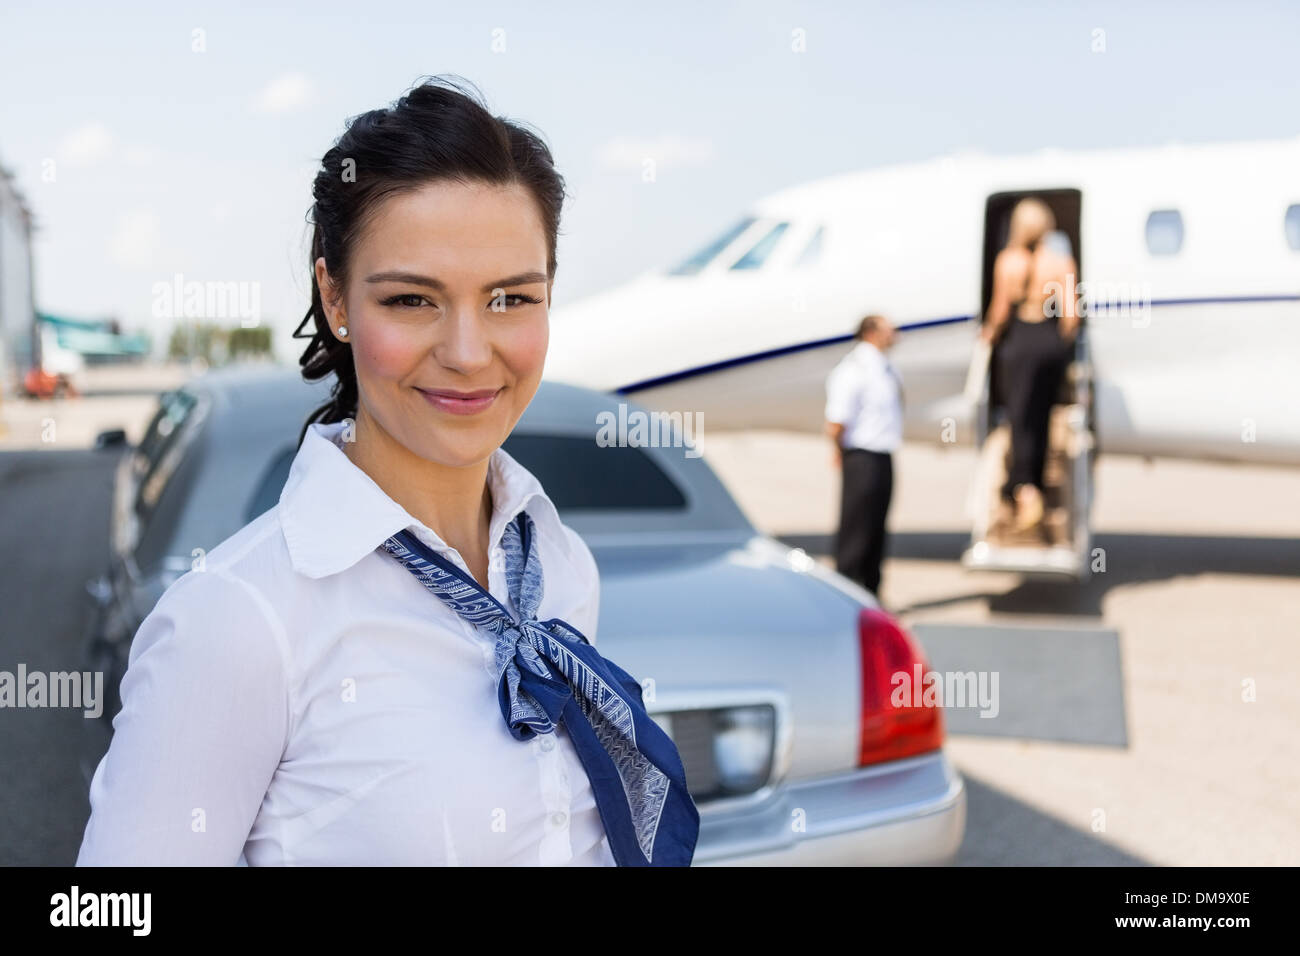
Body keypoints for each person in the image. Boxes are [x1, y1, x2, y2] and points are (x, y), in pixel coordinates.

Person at [76, 76, 699, 867]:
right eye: (411, 300)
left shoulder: (557, 566)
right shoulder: (240, 620)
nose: (470, 352)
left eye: (511, 298)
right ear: (334, 298)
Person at [980, 199, 1078, 531]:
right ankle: (1032, 484)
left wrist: (989, 336)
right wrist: (1058, 345)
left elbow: (1000, 312)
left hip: (1021, 340)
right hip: (1047, 341)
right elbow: (1070, 316)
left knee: (1019, 417)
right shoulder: (1061, 262)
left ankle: (1023, 489)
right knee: (1042, 416)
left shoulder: (1008, 262)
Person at [825, 314, 902, 599]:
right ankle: (847, 595)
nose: (895, 333)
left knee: (876, 530)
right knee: (856, 530)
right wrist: (838, 453)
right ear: (871, 332)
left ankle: (871, 592)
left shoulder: (886, 368)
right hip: (860, 456)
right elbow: (836, 421)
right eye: (888, 328)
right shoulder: (853, 369)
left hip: (882, 455)